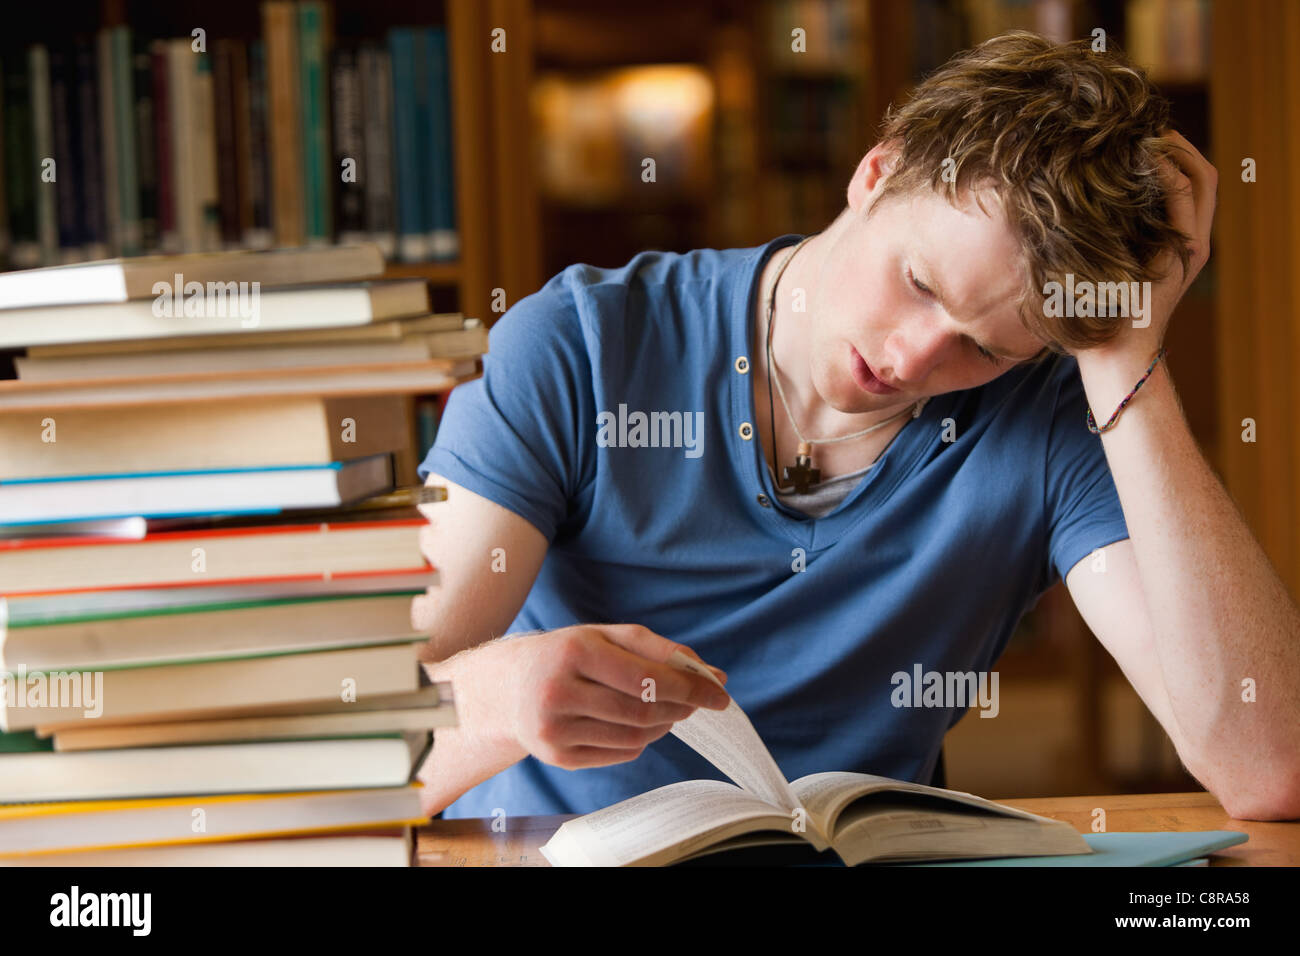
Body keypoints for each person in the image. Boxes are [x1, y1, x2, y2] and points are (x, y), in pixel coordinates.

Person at [410, 32, 1300, 823]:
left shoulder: (1053, 414)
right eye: (919, 283)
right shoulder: (585, 346)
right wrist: (495, 697)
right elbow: (356, 747)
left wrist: (1123, 353)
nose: (913, 360)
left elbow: (1270, 768)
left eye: (984, 348)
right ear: (877, 172)